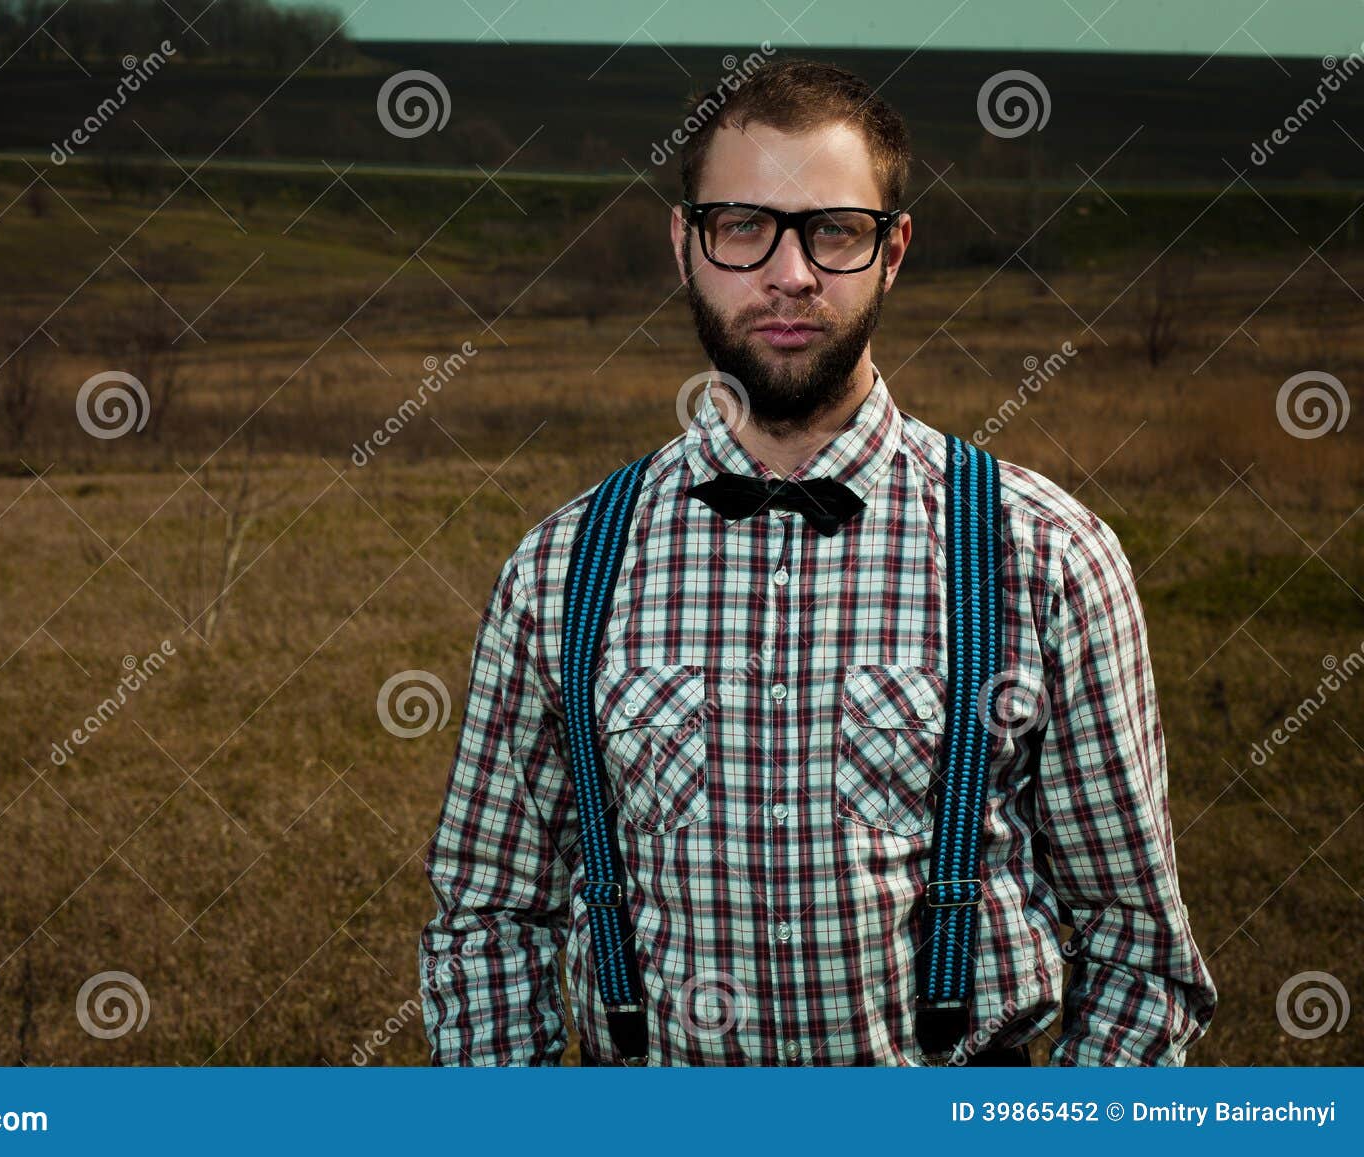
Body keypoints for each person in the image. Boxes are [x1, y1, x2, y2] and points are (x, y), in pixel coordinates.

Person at [417, 57, 1216, 1065]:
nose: (788, 273)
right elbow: (489, 920)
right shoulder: (559, 567)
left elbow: (1137, 953)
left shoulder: (1049, 554)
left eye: (833, 230)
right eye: (741, 225)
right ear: (683, 243)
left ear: (892, 251)